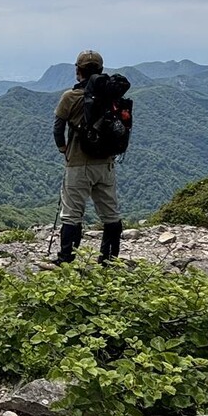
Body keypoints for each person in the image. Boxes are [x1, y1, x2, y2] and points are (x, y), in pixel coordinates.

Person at [52, 49, 122, 264]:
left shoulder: (70, 97)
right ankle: (109, 261)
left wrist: (63, 148)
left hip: (78, 164)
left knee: (72, 214)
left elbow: (57, 128)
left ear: (78, 71)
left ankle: (66, 260)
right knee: (111, 214)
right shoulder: (111, 96)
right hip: (106, 163)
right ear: (101, 70)